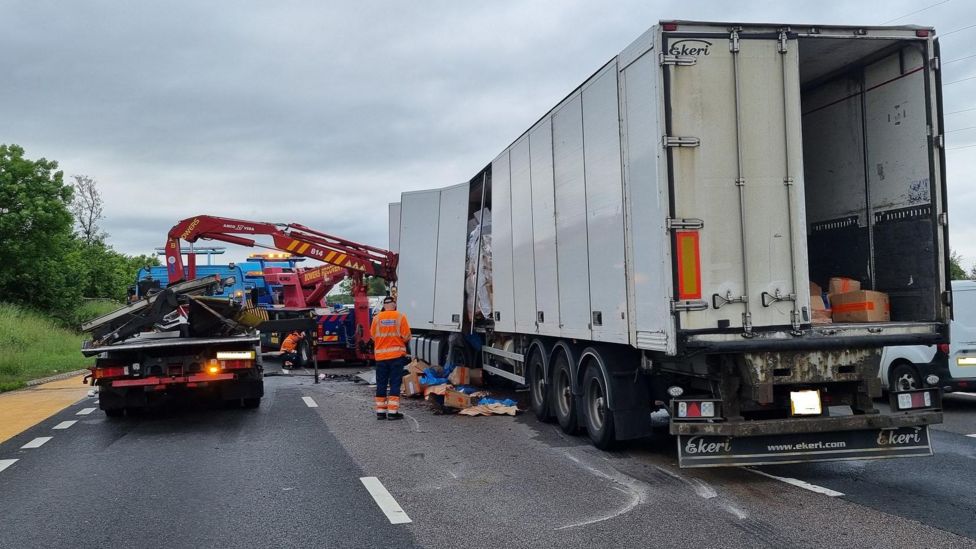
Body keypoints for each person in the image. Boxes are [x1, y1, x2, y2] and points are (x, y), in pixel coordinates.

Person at [370, 296, 411, 420]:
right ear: (394, 304)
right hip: (396, 357)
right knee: (394, 383)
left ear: (384, 305)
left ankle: (380, 412)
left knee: (381, 383)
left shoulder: (376, 318)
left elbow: (373, 336)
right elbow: (406, 336)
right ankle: (393, 413)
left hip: (381, 357)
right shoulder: (400, 317)